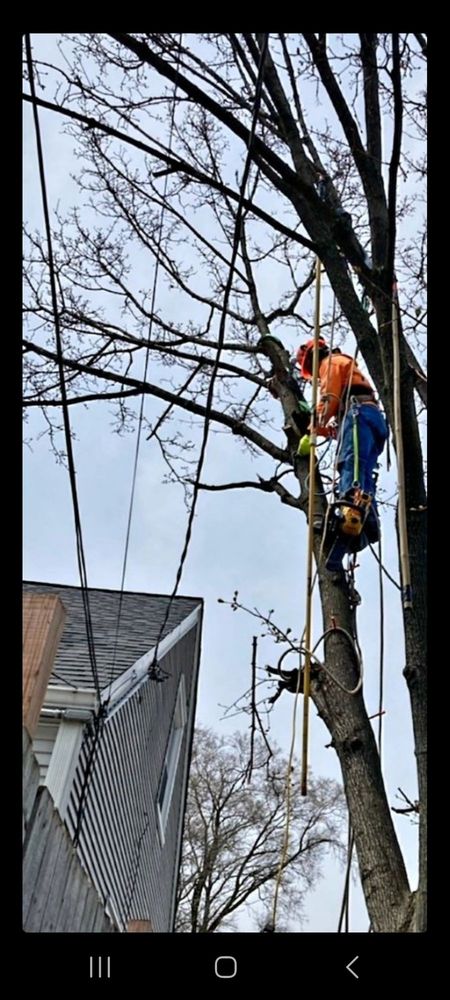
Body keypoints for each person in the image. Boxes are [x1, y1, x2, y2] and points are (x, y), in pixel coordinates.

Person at [296, 337, 388, 571]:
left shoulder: (332, 363)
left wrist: (312, 429)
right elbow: (338, 429)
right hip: (368, 417)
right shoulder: (346, 368)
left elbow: (330, 399)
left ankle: (351, 509)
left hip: (359, 414)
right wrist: (322, 429)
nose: (316, 376)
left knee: (351, 463)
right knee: (364, 470)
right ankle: (367, 519)